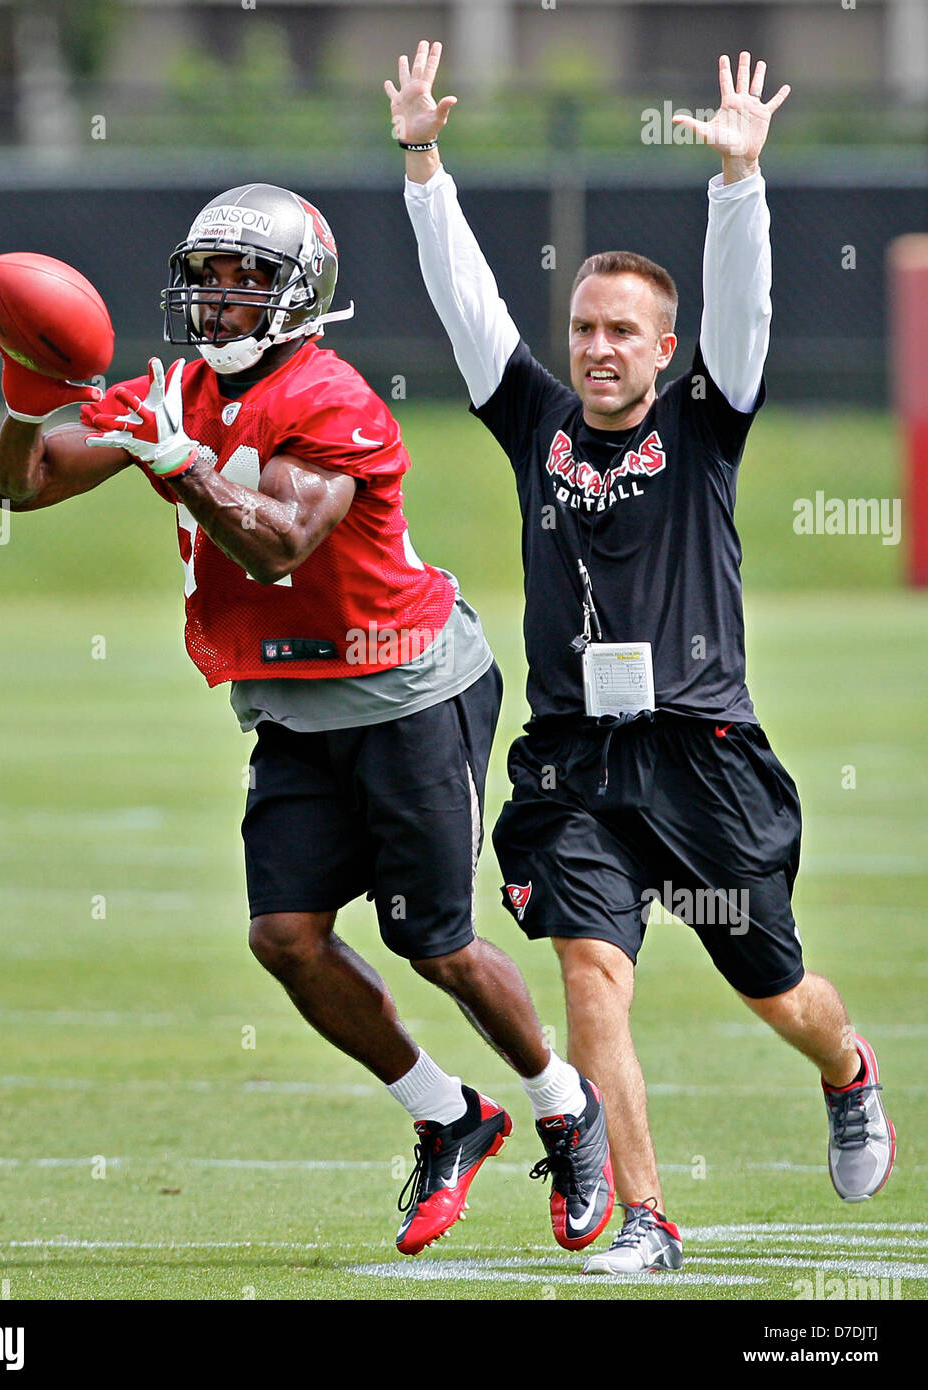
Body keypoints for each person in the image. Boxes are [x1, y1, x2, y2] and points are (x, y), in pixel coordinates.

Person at [0, 182, 615, 1255]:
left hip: (407, 685)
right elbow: (19, 485)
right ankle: (449, 1114)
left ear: (300, 295)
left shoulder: (334, 398)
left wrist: (172, 458)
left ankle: (565, 1103)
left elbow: (274, 543)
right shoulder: (175, 385)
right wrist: (24, 390)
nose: (222, 303)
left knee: (437, 945)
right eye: (209, 280)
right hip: (291, 701)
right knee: (284, 936)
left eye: (248, 281)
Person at [386, 41, 896, 1273]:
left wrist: (736, 184)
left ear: (663, 349)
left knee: (775, 991)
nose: (598, 347)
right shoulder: (533, 423)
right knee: (588, 976)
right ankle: (649, 1219)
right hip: (574, 766)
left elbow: (746, 308)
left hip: (701, 758)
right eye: (584, 328)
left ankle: (847, 1069)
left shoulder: (706, 423)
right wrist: (420, 161)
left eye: (622, 331)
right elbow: (468, 306)